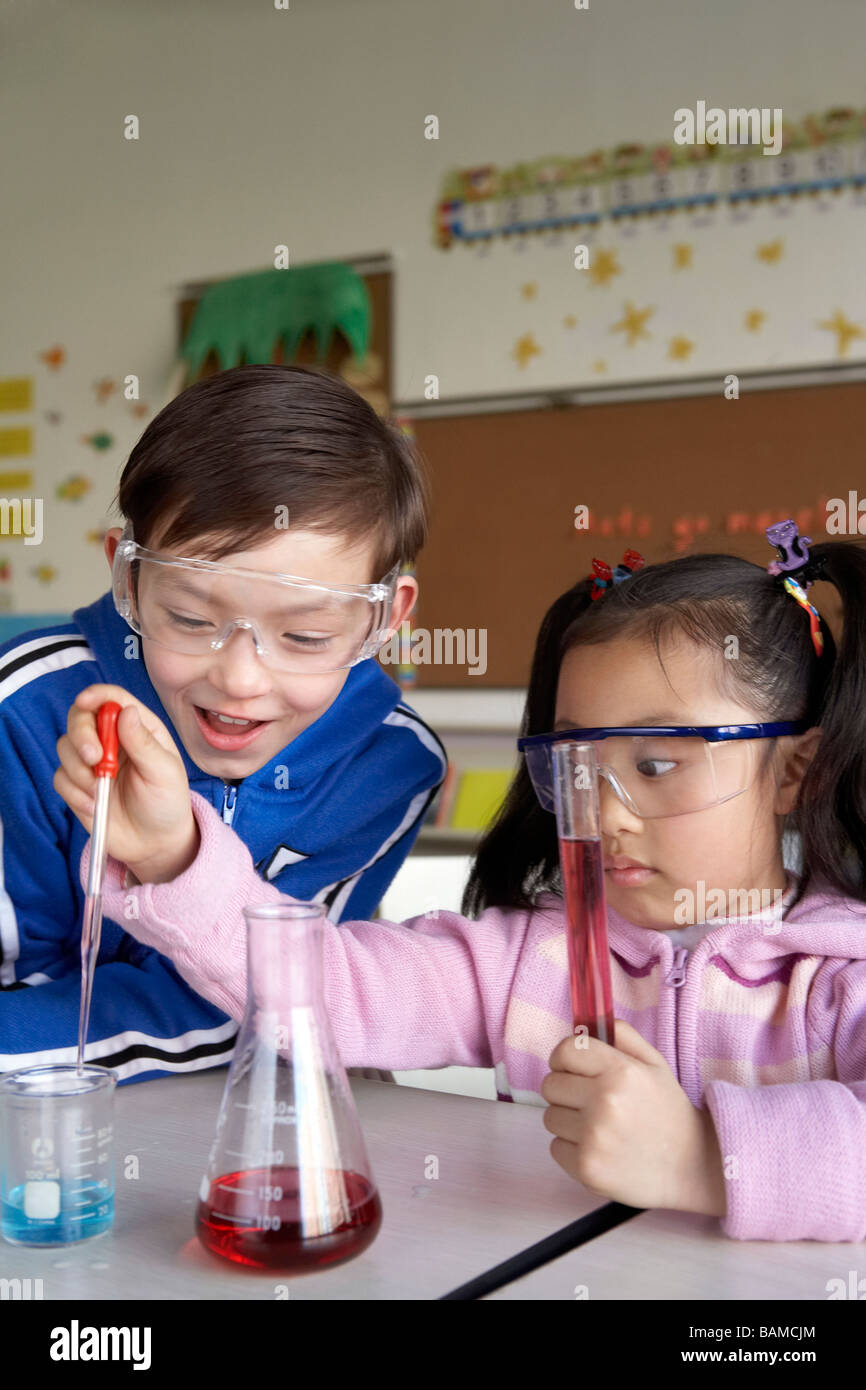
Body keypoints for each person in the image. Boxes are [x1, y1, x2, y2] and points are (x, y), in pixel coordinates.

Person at [62, 530, 866, 1240]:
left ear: (795, 766)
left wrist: (698, 1158)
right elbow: (325, 990)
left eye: (655, 766)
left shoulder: (840, 980)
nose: (605, 816)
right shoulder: (523, 961)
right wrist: (175, 855)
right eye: (575, 767)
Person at [1, 364, 446, 1082]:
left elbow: (293, 997)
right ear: (130, 579)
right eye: (190, 619)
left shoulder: (389, 764)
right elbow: (17, 995)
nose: (240, 680)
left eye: (304, 637)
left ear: (386, 617)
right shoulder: (22, 710)